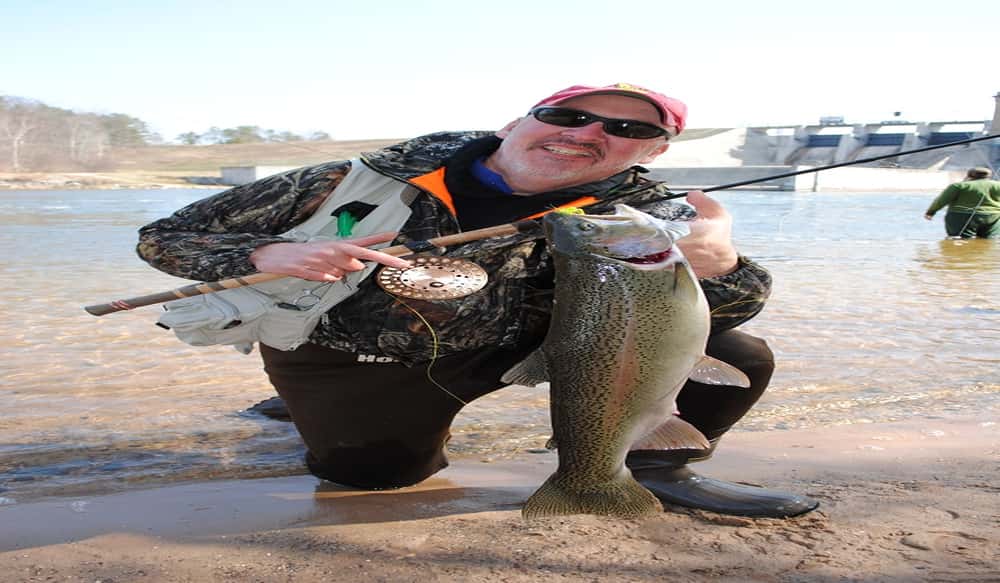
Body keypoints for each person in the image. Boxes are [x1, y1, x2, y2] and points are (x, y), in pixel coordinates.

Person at [137, 83, 819, 518]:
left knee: (740, 354)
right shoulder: (358, 176)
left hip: (541, 346)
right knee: (371, 479)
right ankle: (294, 406)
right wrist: (262, 254)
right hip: (363, 355)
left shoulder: (645, 208)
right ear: (517, 121)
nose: (586, 133)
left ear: (657, 150)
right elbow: (163, 235)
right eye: (568, 115)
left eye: (627, 131)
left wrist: (722, 263)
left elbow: (727, 305)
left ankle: (652, 467)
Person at [924, 167, 1000, 238]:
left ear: (969, 175)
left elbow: (941, 201)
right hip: (993, 217)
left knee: (960, 239)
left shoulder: (959, 186)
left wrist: (931, 212)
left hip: (961, 216)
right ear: (989, 176)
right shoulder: (998, 185)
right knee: (989, 241)